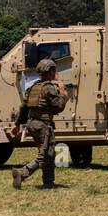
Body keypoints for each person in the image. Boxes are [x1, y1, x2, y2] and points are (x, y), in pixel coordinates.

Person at [12, 58, 69, 189]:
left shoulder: (33, 87)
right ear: (50, 71)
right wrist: (63, 93)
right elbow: (59, 106)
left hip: (32, 124)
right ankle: (22, 173)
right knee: (45, 154)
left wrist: (17, 125)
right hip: (42, 125)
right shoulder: (48, 88)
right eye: (54, 70)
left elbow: (23, 108)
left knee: (48, 153)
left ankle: (48, 183)